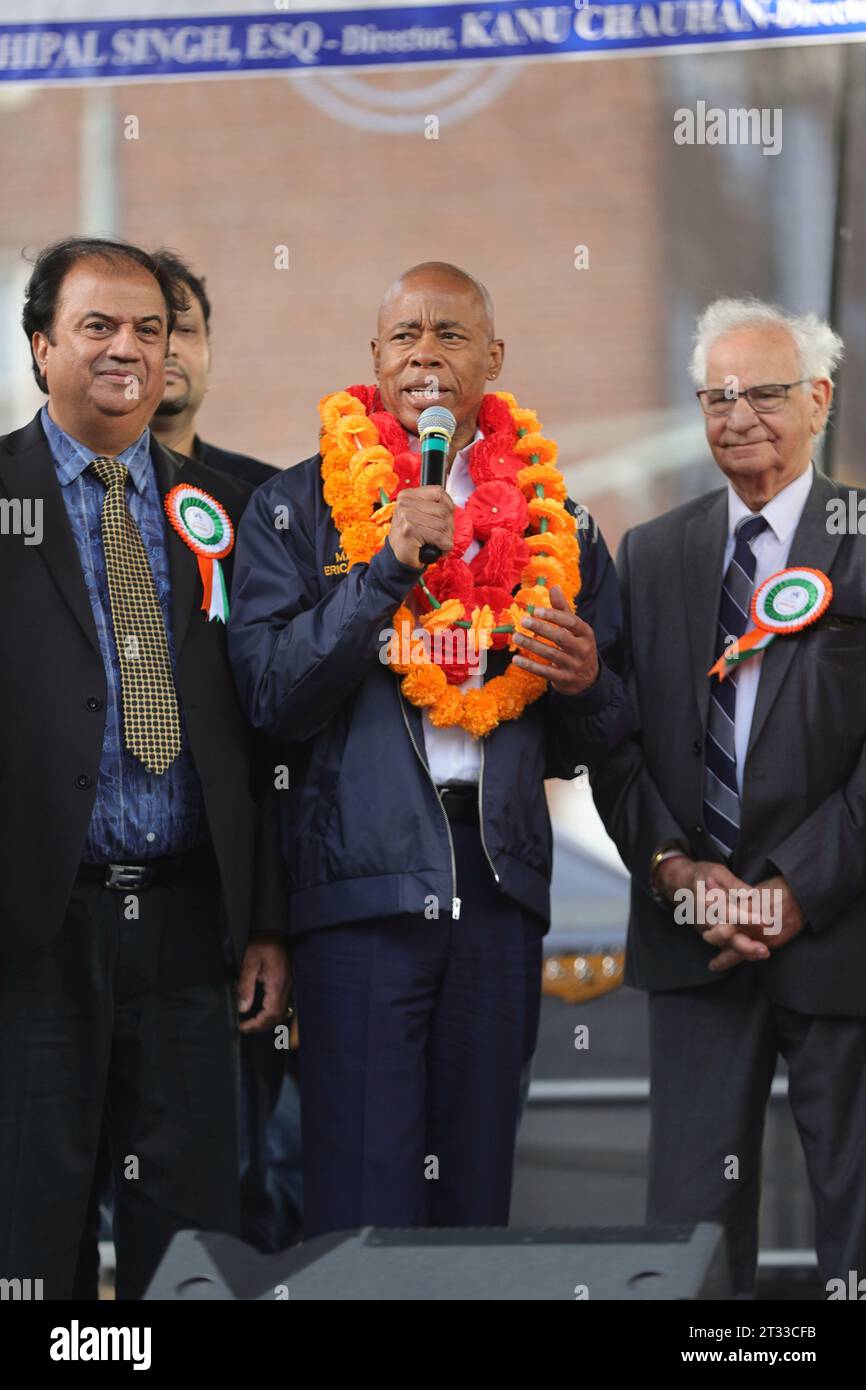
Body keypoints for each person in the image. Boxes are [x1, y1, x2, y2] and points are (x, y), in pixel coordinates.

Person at [228, 260, 634, 1237]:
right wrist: (378, 573)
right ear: (373, 359)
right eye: (403, 336)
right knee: (361, 1193)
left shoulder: (557, 521)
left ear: (490, 359)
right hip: (359, 890)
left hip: (496, 891)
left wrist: (586, 682)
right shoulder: (294, 509)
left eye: (448, 335)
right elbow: (271, 696)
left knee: (472, 1197)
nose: (424, 355)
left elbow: (608, 732)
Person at [0, 237, 290, 1300]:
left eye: (150, 330)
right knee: (32, 1239)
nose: (130, 349)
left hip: (185, 933)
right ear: (41, 347)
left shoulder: (219, 512)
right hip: (33, 936)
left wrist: (262, 918)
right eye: (98, 327)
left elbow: (255, 734)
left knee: (194, 1244)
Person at [591, 297, 866, 1296]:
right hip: (693, 939)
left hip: (839, 936)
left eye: (763, 392)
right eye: (715, 395)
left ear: (819, 399)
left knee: (855, 1223)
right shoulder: (651, 554)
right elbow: (611, 742)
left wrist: (794, 885)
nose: (737, 413)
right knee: (690, 1242)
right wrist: (673, 870)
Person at [148, 251, 278, 488]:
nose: (170, 349)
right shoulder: (67, 486)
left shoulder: (266, 492)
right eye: (149, 330)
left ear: (210, 357)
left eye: (186, 330)